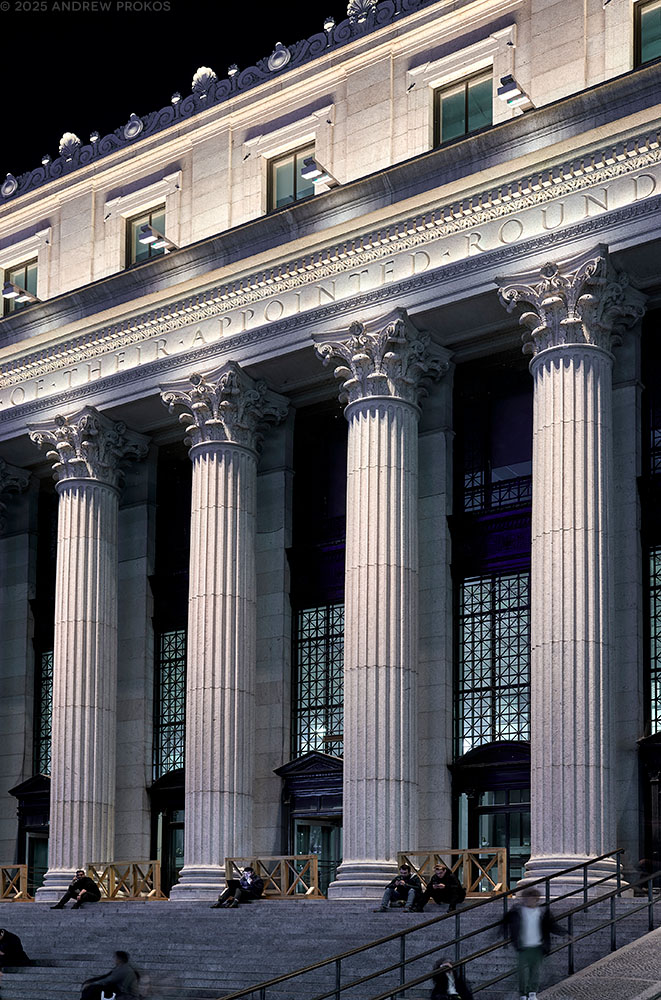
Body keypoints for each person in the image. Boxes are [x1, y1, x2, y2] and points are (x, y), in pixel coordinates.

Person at [503, 885, 567, 1000]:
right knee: (523, 973)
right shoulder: (517, 911)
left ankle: (532, 993)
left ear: (536, 899)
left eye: (532, 898)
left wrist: (566, 934)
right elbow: (506, 922)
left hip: (537, 947)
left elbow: (551, 925)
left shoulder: (541, 912)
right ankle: (523, 994)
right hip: (523, 947)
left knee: (535, 972)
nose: (529, 900)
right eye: (527, 898)